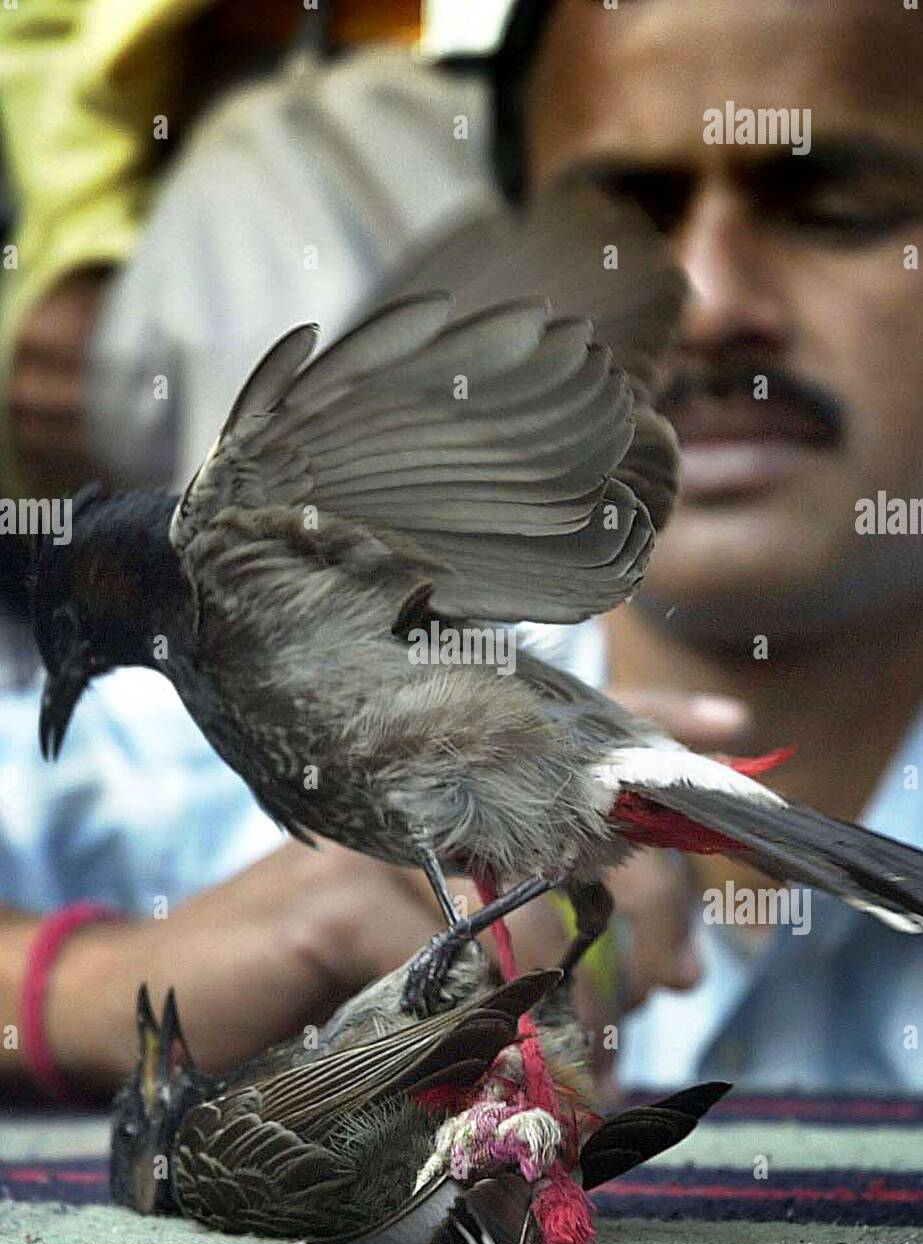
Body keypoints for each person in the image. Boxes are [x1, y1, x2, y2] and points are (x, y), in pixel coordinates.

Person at [5, 0, 921, 1096]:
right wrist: (100, 983)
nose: (711, 301)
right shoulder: (164, 769)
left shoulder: (248, 554)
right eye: (628, 213)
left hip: (573, 768)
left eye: (832, 204)